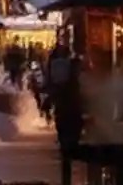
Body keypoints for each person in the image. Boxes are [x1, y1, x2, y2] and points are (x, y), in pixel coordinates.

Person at [46, 38, 82, 185]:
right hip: (72, 107)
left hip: (62, 107)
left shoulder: (53, 66)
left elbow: (49, 84)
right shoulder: (71, 66)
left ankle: (66, 154)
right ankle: (70, 150)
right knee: (71, 131)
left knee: (64, 132)